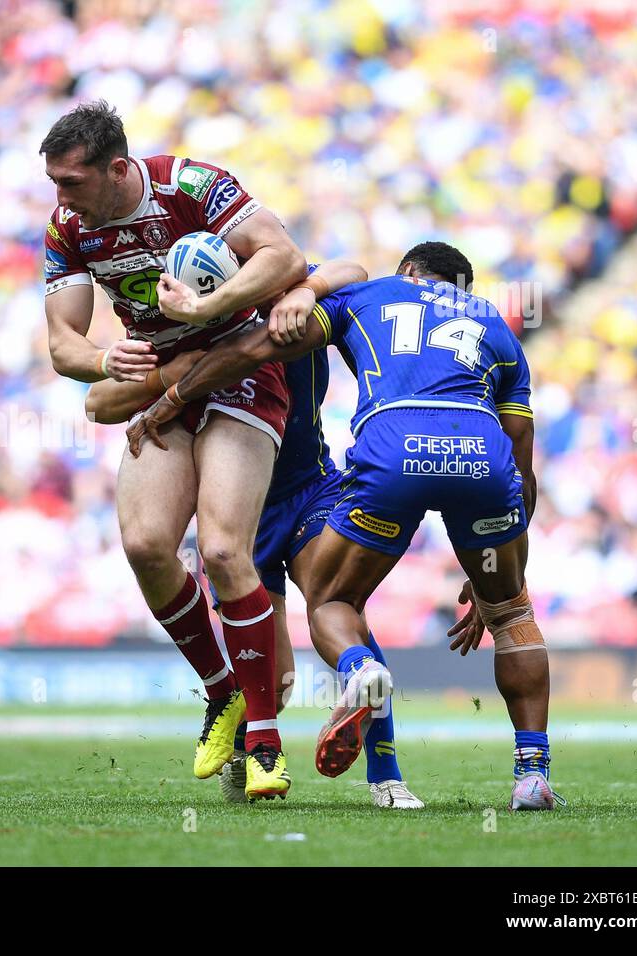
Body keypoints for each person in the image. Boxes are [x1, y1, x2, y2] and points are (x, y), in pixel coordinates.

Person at [130, 241, 559, 811]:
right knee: (512, 617)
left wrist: (175, 393)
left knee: (334, 602)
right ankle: (532, 775)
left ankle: (368, 710)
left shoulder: (361, 294)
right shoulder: (490, 321)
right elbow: (521, 451)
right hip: (478, 453)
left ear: (407, 271)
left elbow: (260, 344)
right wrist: (497, 574)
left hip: (360, 464)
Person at [41, 101, 308, 800]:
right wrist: (105, 360)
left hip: (237, 368)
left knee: (221, 550)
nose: (60, 198)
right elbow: (63, 343)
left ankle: (265, 744)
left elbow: (284, 255)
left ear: (117, 169)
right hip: (161, 379)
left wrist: (207, 307)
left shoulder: (191, 185)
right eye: (54, 183)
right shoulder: (68, 228)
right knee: (146, 545)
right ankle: (224, 691)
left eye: (71, 182)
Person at [89, 261, 425, 809]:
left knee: (336, 603)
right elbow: (97, 402)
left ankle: (383, 766)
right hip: (240, 514)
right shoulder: (187, 328)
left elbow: (352, 269)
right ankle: (257, 745)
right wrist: (168, 381)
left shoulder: (288, 293)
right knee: (280, 680)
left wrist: (307, 290)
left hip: (308, 490)